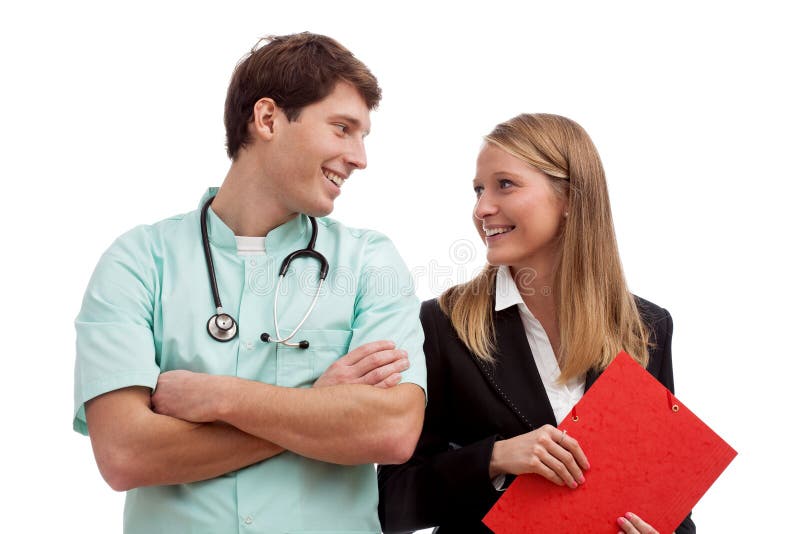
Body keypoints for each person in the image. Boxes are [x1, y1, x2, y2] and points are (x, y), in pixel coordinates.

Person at [73, 32, 426, 534]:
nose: (359, 157)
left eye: (362, 136)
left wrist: (222, 398)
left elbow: (391, 430)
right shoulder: (138, 261)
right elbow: (125, 454)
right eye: (343, 128)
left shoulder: (370, 261)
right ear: (267, 119)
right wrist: (318, 404)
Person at [377, 113, 695, 533]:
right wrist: (495, 458)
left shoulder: (647, 328)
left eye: (504, 184)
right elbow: (393, 502)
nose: (482, 208)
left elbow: (666, 493)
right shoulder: (441, 325)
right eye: (478, 190)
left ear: (569, 199)